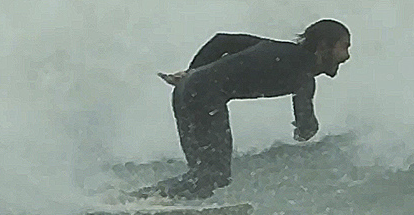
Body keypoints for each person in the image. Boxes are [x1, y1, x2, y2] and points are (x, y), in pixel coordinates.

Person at [144, 19, 352, 199]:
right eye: (344, 47)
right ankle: (149, 200)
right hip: (204, 94)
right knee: (214, 175)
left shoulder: (282, 51)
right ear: (325, 45)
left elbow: (221, 41)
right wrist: (306, 128)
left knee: (203, 174)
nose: (347, 56)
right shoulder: (303, 70)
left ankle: (146, 200)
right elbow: (306, 126)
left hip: (185, 90)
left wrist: (192, 72)